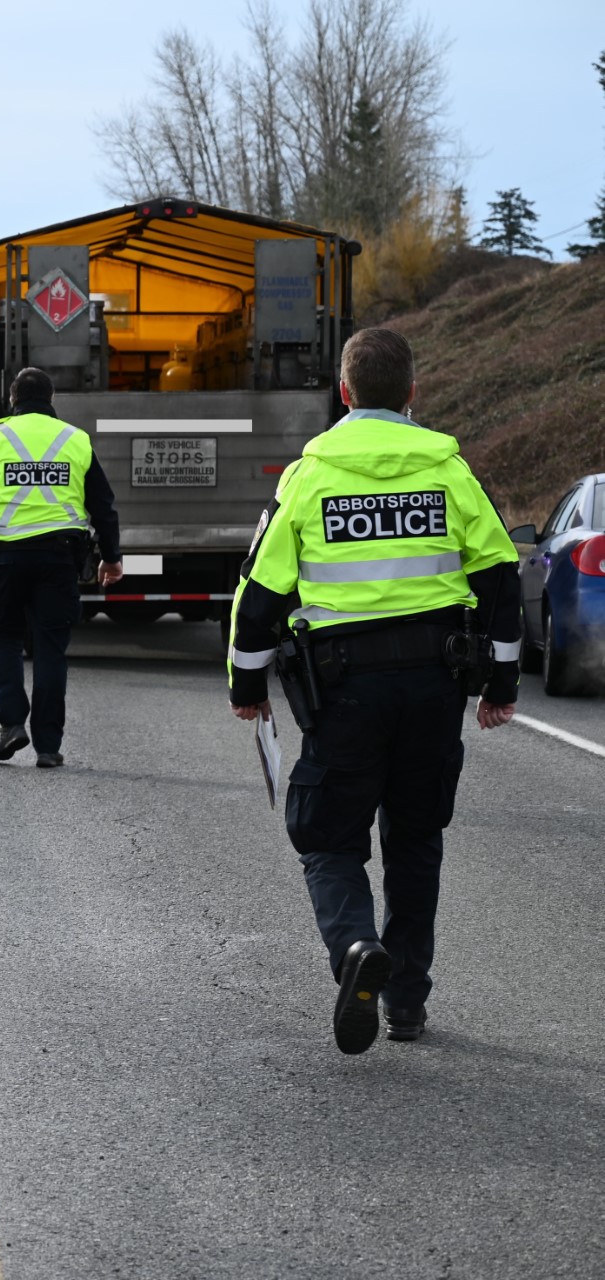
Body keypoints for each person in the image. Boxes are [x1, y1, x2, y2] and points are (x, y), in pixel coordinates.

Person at [226, 327, 521, 1055]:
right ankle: (406, 1005)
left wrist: (245, 681)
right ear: (413, 393)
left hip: (344, 691)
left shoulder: (309, 476)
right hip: (433, 688)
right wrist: (501, 681)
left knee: (326, 837)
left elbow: (259, 591)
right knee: (415, 841)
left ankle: (356, 950)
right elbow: (500, 577)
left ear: (343, 391)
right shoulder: (450, 473)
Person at [0, 366, 123, 768]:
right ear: (51, 399)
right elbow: (103, 506)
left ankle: (12, 724)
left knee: (5, 639)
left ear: (12, 399)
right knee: (50, 650)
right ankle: (48, 746)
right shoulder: (75, 440)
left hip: (4, 559)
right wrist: (111, 559)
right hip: (59, 559)